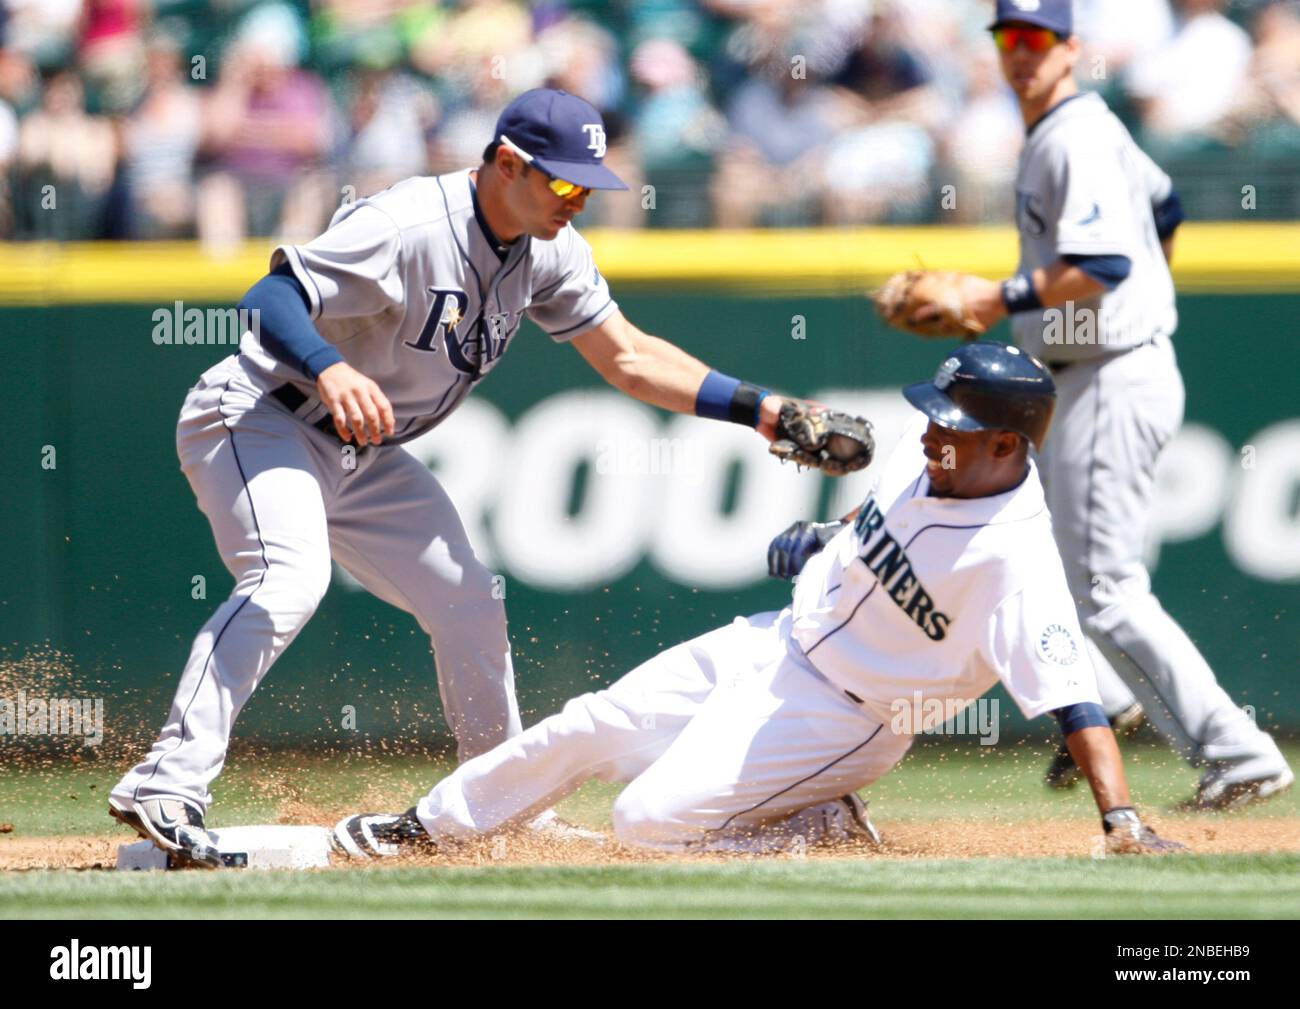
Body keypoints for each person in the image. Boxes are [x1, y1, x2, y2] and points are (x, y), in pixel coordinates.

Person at [109, 88, 805, 868]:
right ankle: (164, 783)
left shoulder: (549, 248)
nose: (579, 199)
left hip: (364, 450)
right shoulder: (407, 222)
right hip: (261, 413)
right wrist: (330, 365)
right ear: (508, 164)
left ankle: (500, 810)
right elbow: (269, 297)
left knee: (471, 603)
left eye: (588, 185)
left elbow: (631, 357)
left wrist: (761, 409)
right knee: (286, 579)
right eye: (566, 182)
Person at [333, 343, 1184, 859]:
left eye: (952, 424)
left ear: (1006, 443)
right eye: (932, 412)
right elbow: (875, 517)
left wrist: (1122, 816)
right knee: (587, 723)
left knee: (645, 821)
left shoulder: (1017, 559)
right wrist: (828, 536)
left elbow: (1075, 700)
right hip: (774, 642)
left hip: (845, 716)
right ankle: (430, 825)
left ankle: (820, 826)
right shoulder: (928, 459)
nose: (930, 430)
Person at [914, 0, 1292, 808]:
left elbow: (1106, 260)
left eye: (1038, 39)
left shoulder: (1074, 133)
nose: (1022, 52)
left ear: (1070, 48)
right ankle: (1110, 698)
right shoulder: (1082, 130)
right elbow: (1165, 209)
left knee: (1106, 587)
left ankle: (1237, 752)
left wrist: (996, 295)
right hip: (1099, 366)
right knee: (1043, 562)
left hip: (1110, 369)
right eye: (1009, 38)